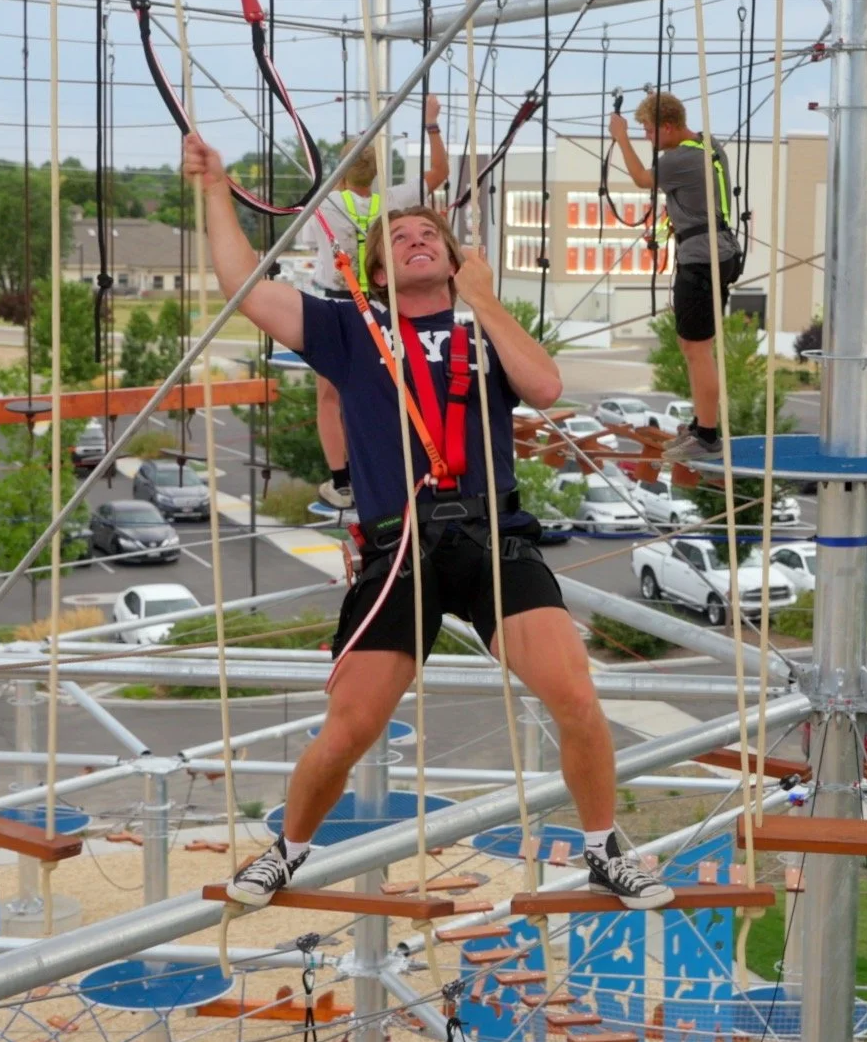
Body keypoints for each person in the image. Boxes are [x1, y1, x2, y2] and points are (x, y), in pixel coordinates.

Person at [182, 133, 673, 911]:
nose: (415, 241)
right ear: (378, 271)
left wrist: (483, 300)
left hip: (490, 537)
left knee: (576, 695)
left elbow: (543, 387)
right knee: (348, 730)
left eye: (429, 237)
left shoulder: (485, 328)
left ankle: (603, 847)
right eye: (400, 239)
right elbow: (244, 286)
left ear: (452, 260)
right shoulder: (351, 332)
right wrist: (214, 190)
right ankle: (287, 850)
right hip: (399, 547)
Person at [308, 96, 448, 511]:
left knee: (331, 398)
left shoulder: (326, 203)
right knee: (387, 387)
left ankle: (342, 481)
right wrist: (431, 125)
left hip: (337, 303)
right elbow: (440, 173)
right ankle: (398, 460)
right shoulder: (394, 199)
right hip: (382, 304)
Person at [609, 91, 744, 462]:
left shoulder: (680, 159)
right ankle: (702, 426)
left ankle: (708, 436)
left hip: (701, 258)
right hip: (718, 252)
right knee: (693, 347)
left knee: (697, 350)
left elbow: (641, 179)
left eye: (650, 131)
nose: (647, 138)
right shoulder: (707, 145)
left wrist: (619, 136)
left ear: (668, 126)